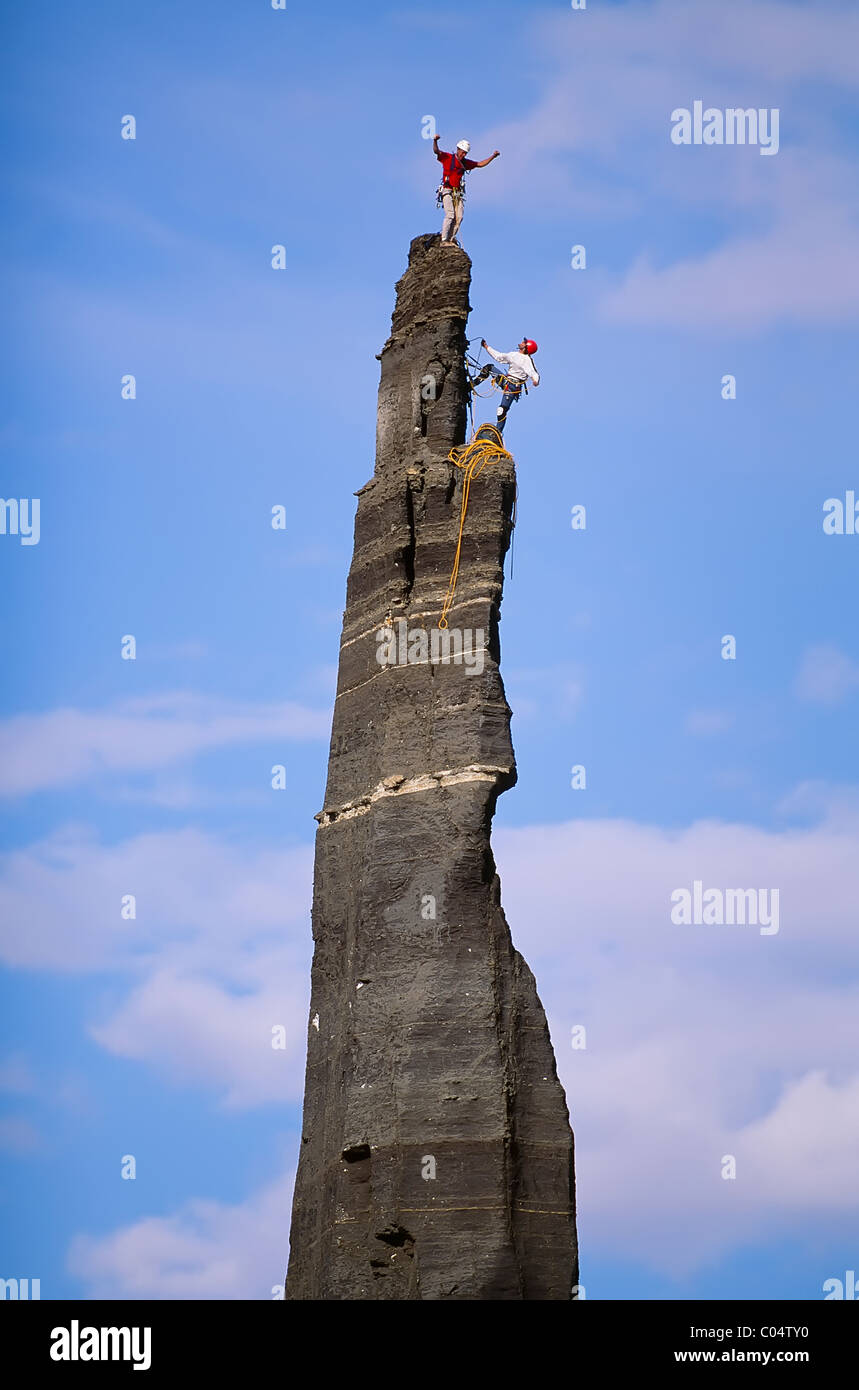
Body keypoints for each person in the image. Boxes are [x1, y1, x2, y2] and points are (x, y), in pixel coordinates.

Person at [432, 135, 500, 246]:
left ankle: (450, 238)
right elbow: (436, 151)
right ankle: (444, 240)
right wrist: (435, 140)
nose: (464, 155)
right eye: (463, 152)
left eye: (465, 153)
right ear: (458, 149)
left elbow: (479, 164)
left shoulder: (465, 163)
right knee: (450, 215)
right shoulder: (448, 158)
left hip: (457, 193)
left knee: (459, 217)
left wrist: (493, 156)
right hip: (447, 190)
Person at [474, 339, 540, 434]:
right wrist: (486, 347)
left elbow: (534, 373)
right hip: (506, 381)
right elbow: (499, 357)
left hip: (513, 386)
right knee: (489, 368)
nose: (521, 342)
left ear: (526, 347)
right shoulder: (513, 355)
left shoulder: (527, 360)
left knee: (501, 410)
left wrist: (535, 381)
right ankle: (472, 384)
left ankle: (498, 432)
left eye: (523, 342)